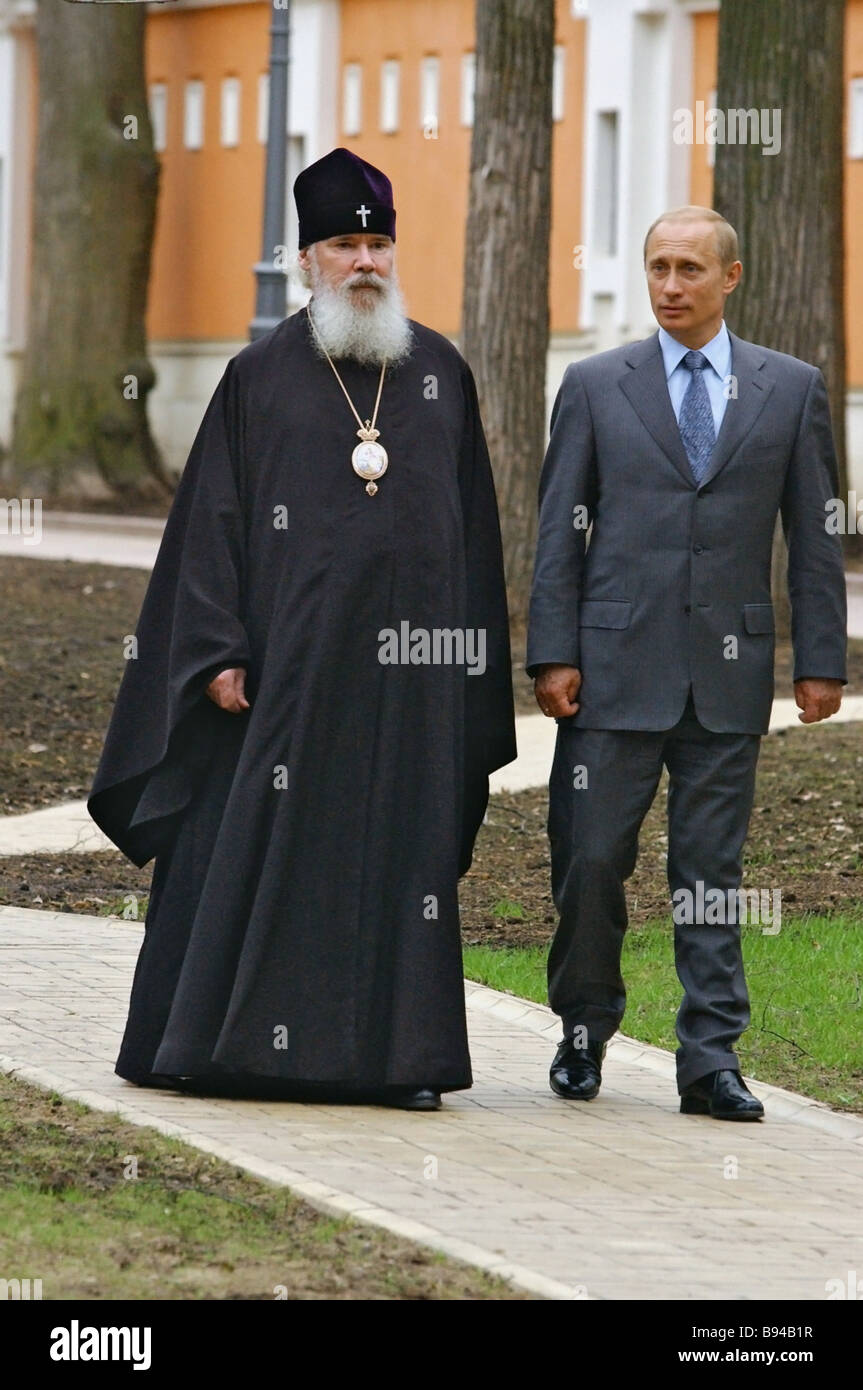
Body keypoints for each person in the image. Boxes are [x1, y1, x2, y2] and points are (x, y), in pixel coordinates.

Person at [88, 148, 516, 1111]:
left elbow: (475, 534)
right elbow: (208, 528)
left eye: (376, 244)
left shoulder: (440, 373)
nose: (363, 262)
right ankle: (224, 1047)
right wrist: (214, 650)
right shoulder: (258, 377)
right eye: (342, 244)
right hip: (282, 680)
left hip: (409, 688)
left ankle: (398, 1061)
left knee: (397, 862)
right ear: (305, 257)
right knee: (257, 842)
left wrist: (468, 670)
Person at [527, 205, 846, 1121]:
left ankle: (709, 1060)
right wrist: (551, 652)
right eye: (657, 268)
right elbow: (558, 531)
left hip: (728, 674)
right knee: (588, 861)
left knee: (711, 876)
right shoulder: (593, 384)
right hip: (608, 672)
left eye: (688, 270)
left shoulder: (788, 389)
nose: (669, 285)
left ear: (728, 279)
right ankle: (582, 1032)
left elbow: (814, 537)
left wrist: (817, 659)